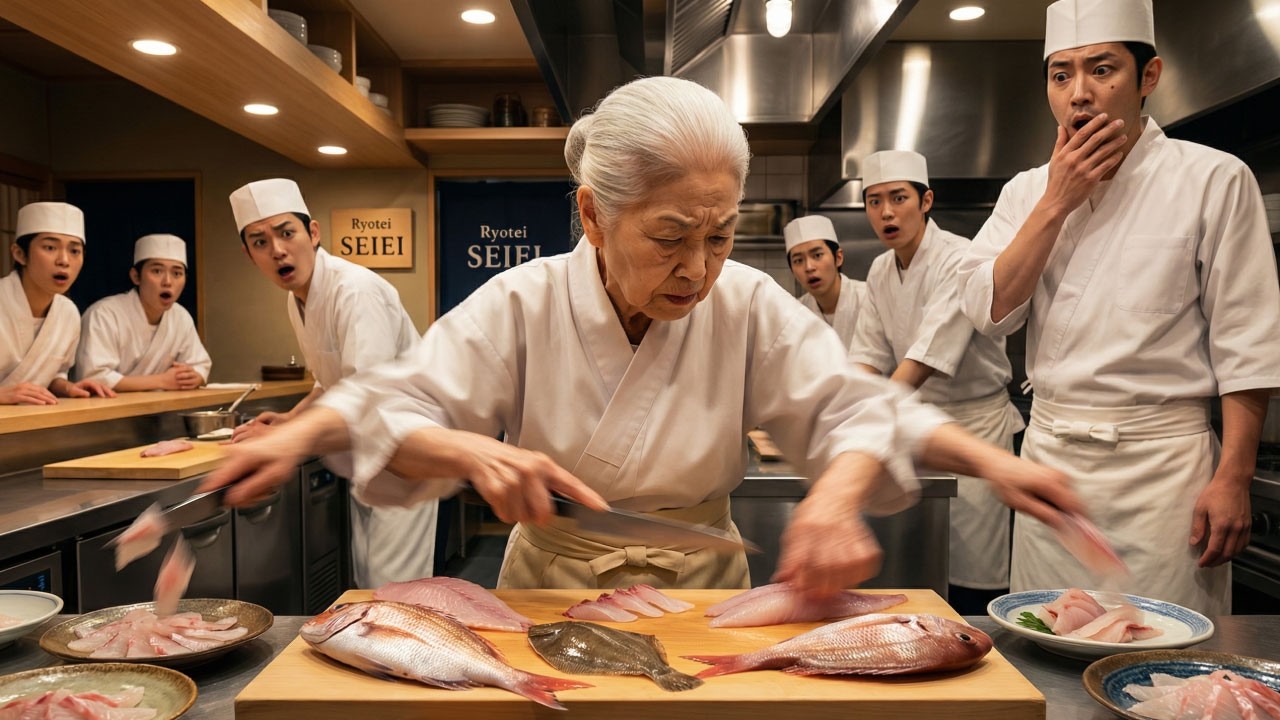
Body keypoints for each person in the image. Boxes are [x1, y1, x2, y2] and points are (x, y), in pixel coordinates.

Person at [203, 76, 1083, 596]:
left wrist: (836, 494)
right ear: (592, 213)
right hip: (549, 590)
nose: (699, 269)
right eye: (670, 237)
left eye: (722, 233)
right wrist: (469, 455)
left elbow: (850, 409)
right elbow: (405, 397)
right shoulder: (522, 300)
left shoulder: (743, 301)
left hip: (704, 591)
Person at [956, 0, 1280, 615]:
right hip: (1052, 466)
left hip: (1165, 471)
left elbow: (1248, 342)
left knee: (1163, 663)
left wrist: (1234, 475)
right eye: (1061, 74)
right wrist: (1057, 202)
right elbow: (989, 310)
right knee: (1045, 646)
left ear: (1148, 77)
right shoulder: (1027, 190)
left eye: (1102, 70)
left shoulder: (1215, 179)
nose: (1080, 93)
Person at [226, 178, 438, 589]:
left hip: (405, 454)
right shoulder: (298, 299)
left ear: (313, 232)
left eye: (287, 233)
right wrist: (289, 420)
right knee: (369, 585)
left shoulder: (355, 290)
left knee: (397, 592)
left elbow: (366, 392)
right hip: (365, 456)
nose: (278, 250)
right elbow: (330, 383)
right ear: (249, 255)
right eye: (260, 242)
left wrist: (289, 442)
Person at [850, 150, 1023, 614]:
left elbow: (922, 359)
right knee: (923, 564)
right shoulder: (881, 270)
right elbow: (866, 357)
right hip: (919, 426)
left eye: (898, 198)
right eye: (874, 201)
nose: (886, 212)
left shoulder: (959, 258)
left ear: (926, 200)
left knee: (973, 573)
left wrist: (864, 418)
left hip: (974, 427)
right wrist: (847, 410)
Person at [1, 201, 115, 405]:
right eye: (50, 247)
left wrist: (68, 387)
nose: (64, 260)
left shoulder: (68, 312)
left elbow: (51, 376)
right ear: (19, 254)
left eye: (74, 251)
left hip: (29, 424)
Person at [75, 234, 212, 391]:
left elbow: (199, 365)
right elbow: (94, 377)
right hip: (107, 412)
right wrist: (162, 381)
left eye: (177, 273)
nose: (168, 281)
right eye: (157, 271)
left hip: (160, 411)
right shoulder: (104, 314)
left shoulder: (181, 317)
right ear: (136, 276)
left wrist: (195, 376)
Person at [783, 215, 865, 349]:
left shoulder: (868, 300)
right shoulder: (796, 313)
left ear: (838, 258)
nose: (809, 267)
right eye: (798, 260)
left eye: (817, 255)